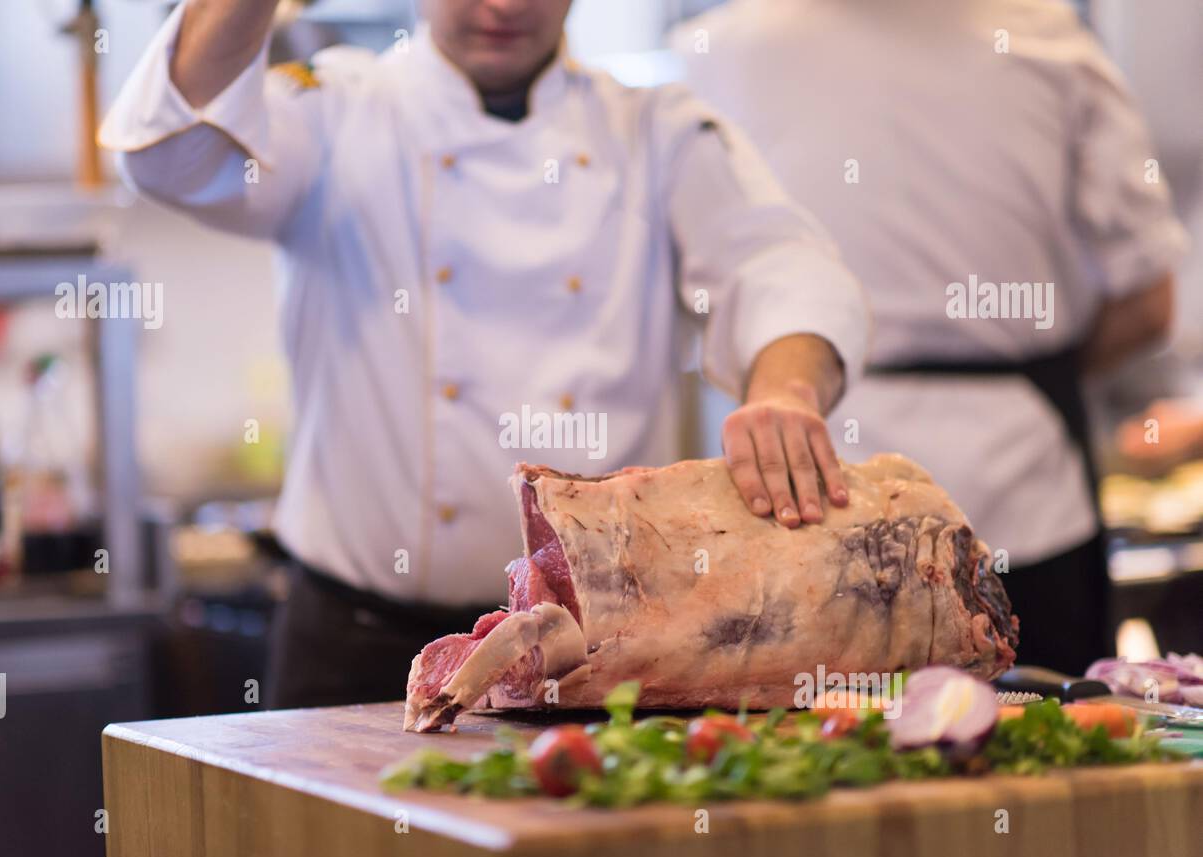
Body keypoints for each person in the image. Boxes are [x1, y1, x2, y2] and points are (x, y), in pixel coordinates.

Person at [100, 0, 871, 707]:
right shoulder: (338, 109)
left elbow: (779, 266)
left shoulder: (653, 128)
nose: (504, 5)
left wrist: (787, 390)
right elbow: (171, 151)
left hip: (592, 651)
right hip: (355, 645)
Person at [674, 0, 1189, 675]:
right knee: (1050, 758)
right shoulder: (1051, 38)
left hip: (800, 515)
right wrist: (1031, 373)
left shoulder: (709, 52)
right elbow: (1149, 304)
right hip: (1020, 495)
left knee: (817, 767)